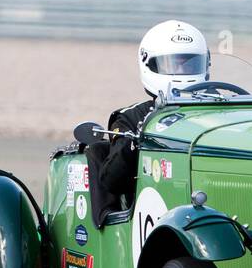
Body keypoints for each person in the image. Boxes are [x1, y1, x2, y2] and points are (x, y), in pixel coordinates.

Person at [90, 20, 210, 224]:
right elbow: (112, 181)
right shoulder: (131, 118)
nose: (181, 72)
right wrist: (135, 140)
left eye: (189, 63)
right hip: (153, 217)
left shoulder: (218, 111)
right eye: (172, 63)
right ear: (149, 64)